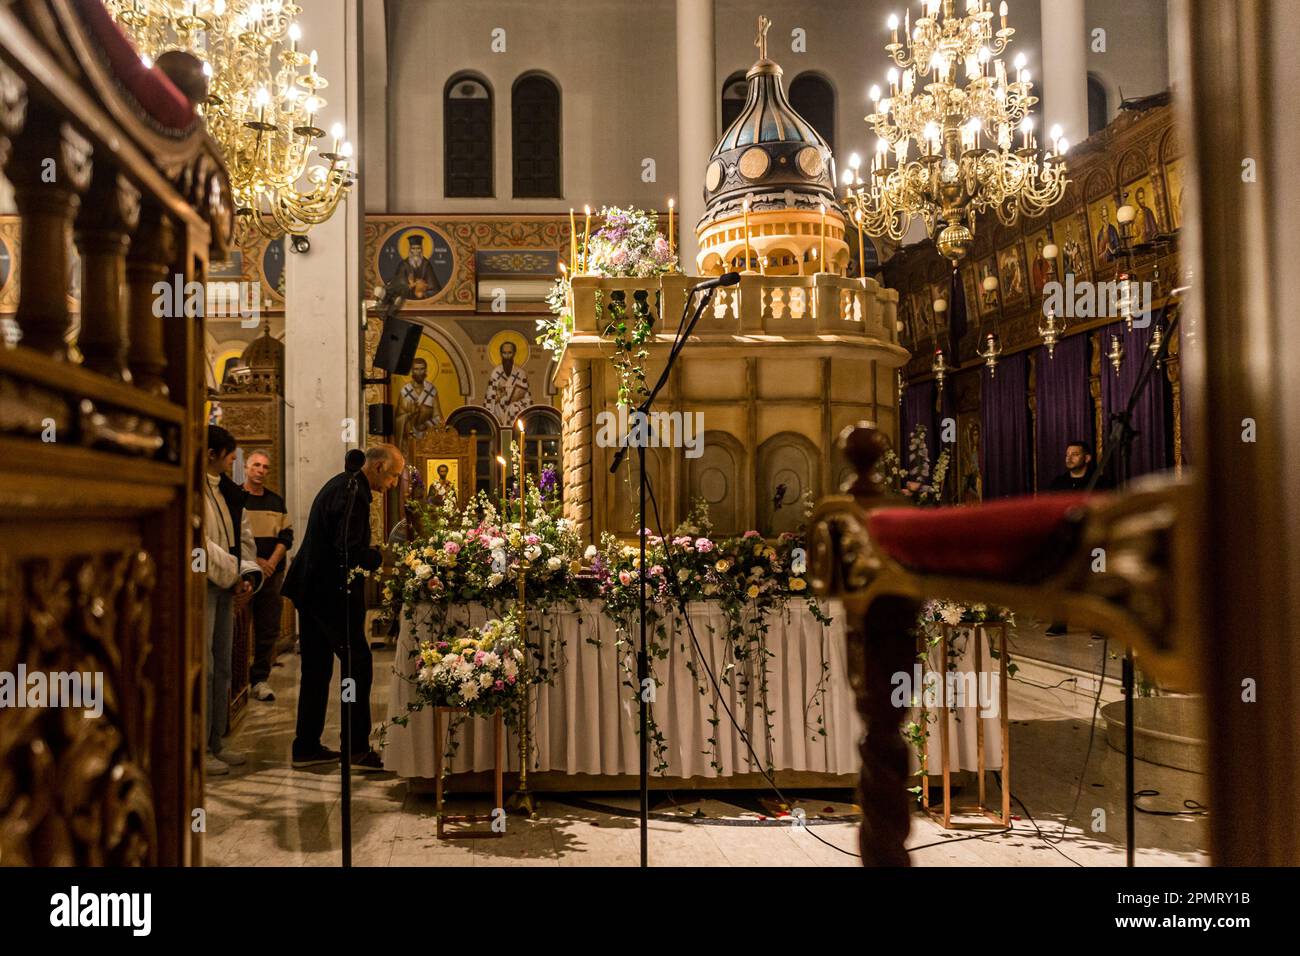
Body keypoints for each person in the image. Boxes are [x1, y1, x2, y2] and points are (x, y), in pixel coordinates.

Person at [282, 443, 405, 770]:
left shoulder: (345, 484)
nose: (392, 484)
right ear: (378, 467)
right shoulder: (353, 491)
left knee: (317, 669)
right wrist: (380, 556)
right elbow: (347, 550)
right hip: (328, 592)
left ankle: (306, 747)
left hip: (312, 589)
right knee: (358, 665)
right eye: (393, 476)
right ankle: (356, 749)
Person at [203, 426, 264, 775]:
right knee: (205, 669)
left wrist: (245, 572)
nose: (232, 465)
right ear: (211, 454)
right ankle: (199, 750)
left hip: (225, 584)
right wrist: (231, 570)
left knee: (223, 665)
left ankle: (216, 742)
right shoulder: (196, 487)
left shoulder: (226, 490)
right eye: (228, 458)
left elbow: (240, 536)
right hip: (204, 585)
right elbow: (199, 540)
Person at [242, 450, 293, 703]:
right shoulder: (236, 499)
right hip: (244, 573)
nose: (261, 470)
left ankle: (260, 679)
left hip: (272, 574)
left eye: (265, 467)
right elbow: (235, 539)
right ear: (246, 467)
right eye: (256, 466)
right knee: (238, 628)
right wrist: (256, 561)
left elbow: (286, 536)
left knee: (268, 627)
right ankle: (237, 682)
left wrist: (271, 561)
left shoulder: (275, 501)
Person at [484, 340, 532, 425]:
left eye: (509, 353)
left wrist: (514, 403)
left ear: (514, 353)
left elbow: (527, 398)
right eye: (504, 353)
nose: (507, 356)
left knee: (513, 408)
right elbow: (489, 397)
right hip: (498, 409)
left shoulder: (520, 373)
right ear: (501, 354)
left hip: (515, 410)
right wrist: (498, 396)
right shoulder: (496, 373)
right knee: (495, 410)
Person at [396, 356, 441, 447]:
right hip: (409, 437)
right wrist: (410, 414)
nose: (419, 372)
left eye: (422, 369)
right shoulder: (405, 391)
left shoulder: (431, 390)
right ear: (412, 371)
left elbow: (438, 416)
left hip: (427, 438)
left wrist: (426, 424)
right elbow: (398, 418)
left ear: (426, 370)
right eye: (416, 369)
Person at [394, 233, 442, 299]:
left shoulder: (426, 264)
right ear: (410, 250)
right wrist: (412, 285)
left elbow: (434, 288)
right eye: (413, 248)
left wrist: (422, 292)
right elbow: (398, 286)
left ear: (421, 250)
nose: (416, 251)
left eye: (418, 248)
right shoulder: (403, 265)